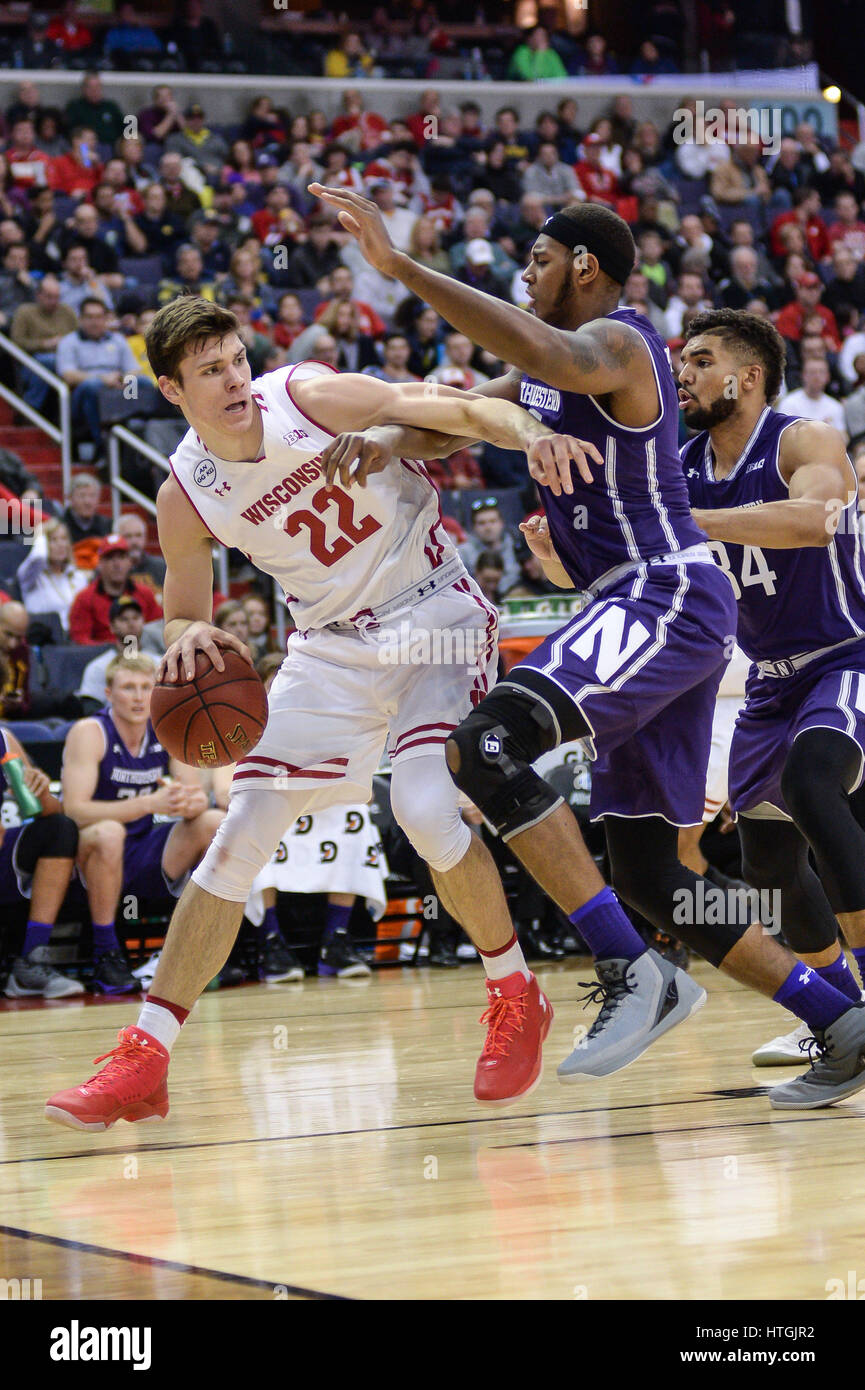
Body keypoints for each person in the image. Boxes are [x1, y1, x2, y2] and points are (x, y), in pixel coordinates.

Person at [303, 184, 865, 1108]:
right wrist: (386, 437)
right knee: (647, 871)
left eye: (536, 260)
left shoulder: (621, 342)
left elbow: (539, 351)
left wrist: (401, 267)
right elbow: (459, 411)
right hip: (650, 607)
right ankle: (836, 1020)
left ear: (585, 266)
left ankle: (631, 972)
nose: (524, 274)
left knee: (484, 746)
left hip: (662, 593)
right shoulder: (546, 375)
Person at [44, 293, 592, 1130]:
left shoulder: (308, 396)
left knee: (424, 807)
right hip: (328, 650)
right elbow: (182, 612)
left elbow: (458, 410)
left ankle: (515, 993)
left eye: (236, 359)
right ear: (170, 389)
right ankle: (146, 1056)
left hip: (435, 617)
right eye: (209, 371)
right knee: (239, 835)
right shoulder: (184, 494)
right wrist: (191, 637)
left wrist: (530, 434)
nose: (234, 379)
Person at [682, 309, 865, 1103]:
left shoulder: (802, 440)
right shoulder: (680, 466)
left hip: (846, 654)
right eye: (680, 361)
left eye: (700, 360)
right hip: (767, 681)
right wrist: (558, 559)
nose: (682, 374)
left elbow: (814, 520)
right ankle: (841, 1014)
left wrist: (690, 521)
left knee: (812, 783)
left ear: (746, 376)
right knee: (766, 865)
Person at [61, 654, 224, 995]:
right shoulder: (89, 732)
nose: (138, 697)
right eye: (128, 688)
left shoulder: (166, 728)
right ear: (108, 694)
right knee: (110, 832)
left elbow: (194, 794)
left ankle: (191, 948)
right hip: (90, 856)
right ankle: (106, 954)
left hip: (141, 851)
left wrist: (189, 802)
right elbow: (74, 811)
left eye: (146, 688)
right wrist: (148, 804)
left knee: (213, 821)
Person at [0, 719, 83, 999]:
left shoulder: (4, 739)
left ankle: (31, 960)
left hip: (6, 851)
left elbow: (48, 811)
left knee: (60, 828)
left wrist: (42, 791)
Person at [68, 534, 162, 644]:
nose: (117, 564)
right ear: (100, 564)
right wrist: (114, 648)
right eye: (110, 558)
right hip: (103, 653)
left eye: (121, 557)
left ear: (130, 562)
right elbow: (80, 640)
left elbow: (158, 629)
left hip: (144, 651)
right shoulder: (85, 599)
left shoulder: (145, 594)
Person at [16, 517, 88, 632]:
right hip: (43, 637)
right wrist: (40, 535)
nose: (61, 545)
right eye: (53, 540)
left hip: (74, 637)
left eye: (64, 539)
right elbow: (39, 557)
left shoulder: (78, 577)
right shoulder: (31, 576)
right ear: (44, 543)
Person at [77, 595, 145, 714]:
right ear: (112, 627)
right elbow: (91, 711)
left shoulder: (159, 662)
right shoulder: (98, 667)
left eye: (136, 618)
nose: (131, 623)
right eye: (124, 619)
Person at [458, 500, 520, 594]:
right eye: (482, 523)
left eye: (493, 521)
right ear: (473, 527)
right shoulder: (462, 552)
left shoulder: (516, 546)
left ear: (501, 523)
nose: (488, 528)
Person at [61, 471, 111, 548]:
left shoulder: (107, 525)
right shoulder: (60, 525)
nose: (87, 502)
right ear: (70, 498)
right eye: (82, 495)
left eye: (92, 496)